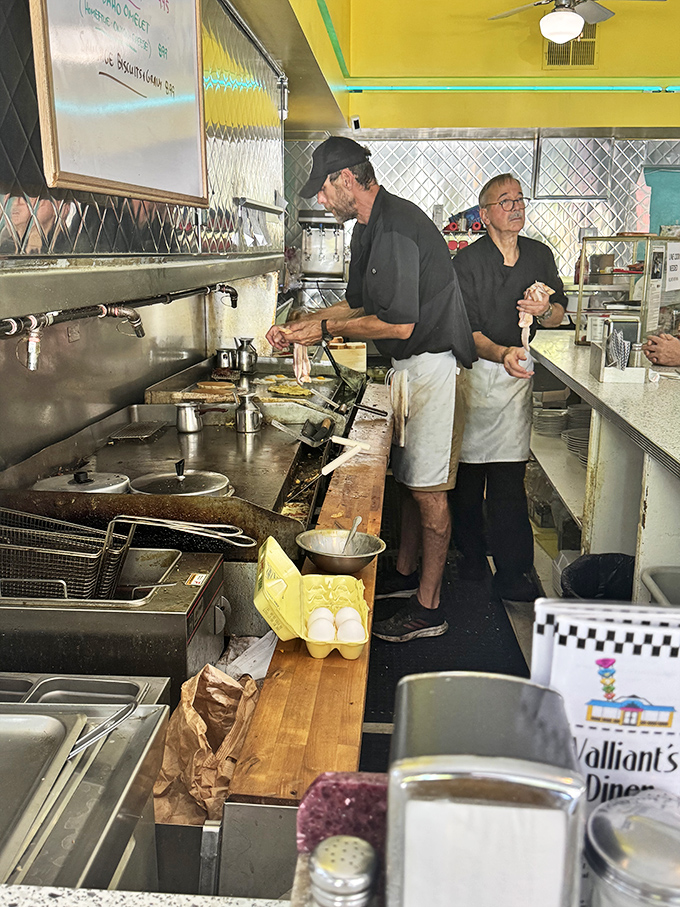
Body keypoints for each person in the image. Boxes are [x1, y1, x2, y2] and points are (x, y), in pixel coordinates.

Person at [266, 136, 476, 642]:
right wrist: (305, 324)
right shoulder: (365, 230)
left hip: (435, 369)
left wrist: (326, 331)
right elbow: (359, 307)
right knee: (408, 479)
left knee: (429, 492)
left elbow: (399, 325)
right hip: (410, 371)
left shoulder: (399, 227)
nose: (320, 201)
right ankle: (403, 576)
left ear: (346, 179)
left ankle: (429, 607)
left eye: (323, 189)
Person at [451, 173, 566, 603]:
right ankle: (472, 558)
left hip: (516, 376)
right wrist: (502, 354)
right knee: (467, 477)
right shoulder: (467, 263)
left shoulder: (539, 255)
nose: (516, 207)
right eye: (505, 201)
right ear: (485, 215)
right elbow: (467, 330)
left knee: (508, 477)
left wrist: (546, 308)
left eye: (520, 199)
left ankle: (514, 571)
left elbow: (558, 315)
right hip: (478, 372)